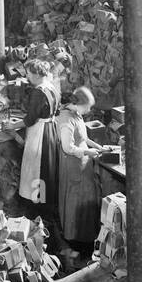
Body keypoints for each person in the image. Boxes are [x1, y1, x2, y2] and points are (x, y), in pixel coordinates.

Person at [55, 87, 114, 262]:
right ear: (77, 104)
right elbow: (68, 147)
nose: (88, 111)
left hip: (83, 165)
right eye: (87, 107)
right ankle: (76, 242)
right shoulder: (65, 119)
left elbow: (83, 138)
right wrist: (88, 153)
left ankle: (86, 238)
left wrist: (97, 147)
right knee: (75, 204)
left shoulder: (77, 115)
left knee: (86, 202)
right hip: (73, 168)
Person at [18, 59, 69, 255]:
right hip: (51, 130)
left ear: (36, 73)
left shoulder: (38, 92)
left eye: (28, 73)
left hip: (39, 133)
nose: (27, 77)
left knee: (35, 171)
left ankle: (35, 212)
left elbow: (30, 119)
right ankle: (43, 204)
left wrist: (10, 126)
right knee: (46, 171)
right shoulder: (52, 87)